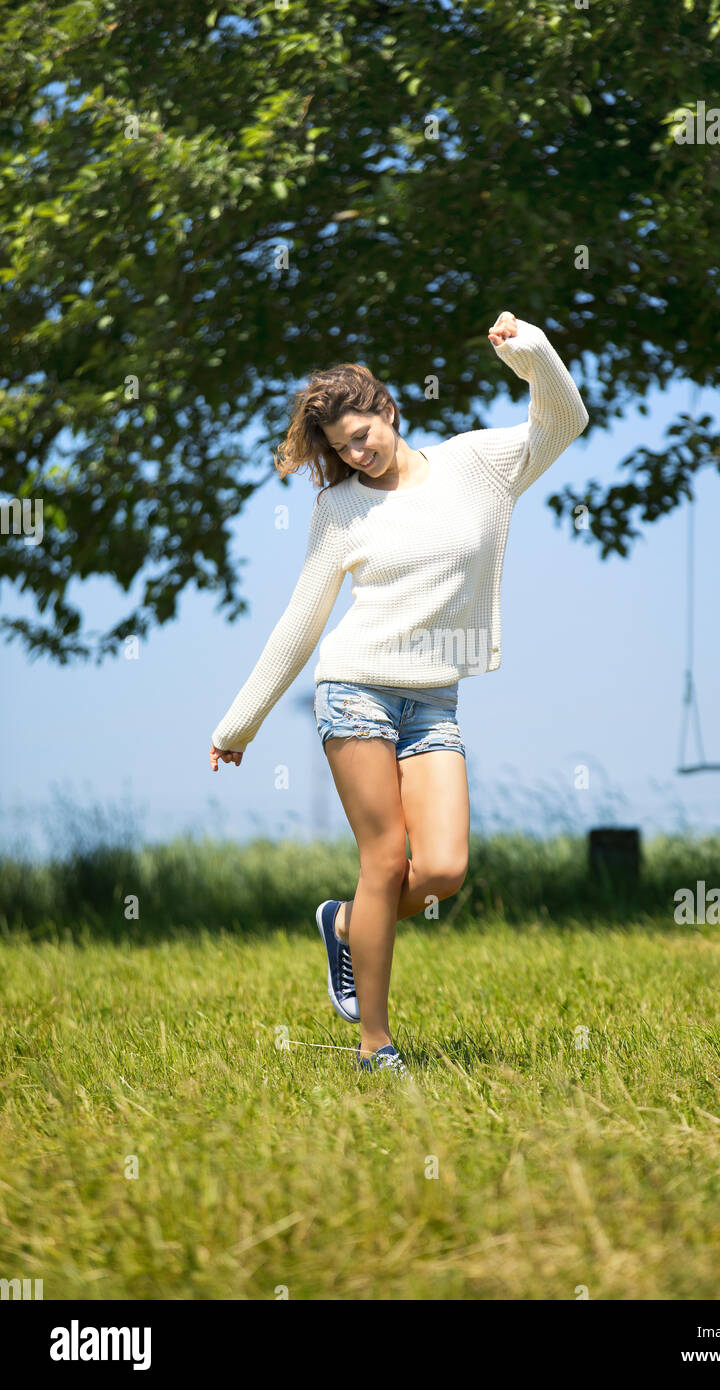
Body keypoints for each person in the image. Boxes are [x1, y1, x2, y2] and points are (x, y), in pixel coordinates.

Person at [209, 310, 589, 1077]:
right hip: (355, 692)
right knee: (384, 857)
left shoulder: (478, 463)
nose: (357, 453)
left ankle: (346, 923)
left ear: (388, 410)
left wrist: (530, 350)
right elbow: (302, 619)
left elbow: (564, 418)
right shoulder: (341, 508)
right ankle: (375, 1045)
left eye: (363, 435)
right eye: (341, 448)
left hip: (433, 703)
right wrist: (238, 724)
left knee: (444, 869)